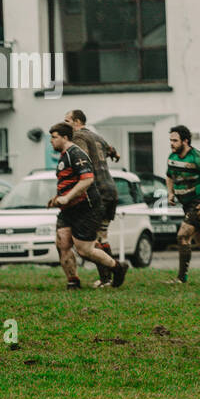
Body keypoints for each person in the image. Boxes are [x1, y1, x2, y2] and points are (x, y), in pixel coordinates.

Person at [48, 122, 127, 290]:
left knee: (84, 250)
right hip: (68, 209)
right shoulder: (64, 155)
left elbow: (87, 179)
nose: (51, 141)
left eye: (54, 137)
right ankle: (73, 281)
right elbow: (69, 181)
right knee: (62, 242)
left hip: (87, 208)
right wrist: (58, 198)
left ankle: (117, 268)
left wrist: (67, 197)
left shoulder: (77, 153)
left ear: (65, 137)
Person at [66, 109, 121, 286]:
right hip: (110, 189)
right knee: (102, 235)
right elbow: (113, 151)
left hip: (97, 192)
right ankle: (111, 276)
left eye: (67, 121)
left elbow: (81, 160)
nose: (65, 124)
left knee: (95, 238)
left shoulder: (78, 138)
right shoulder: (97, 137)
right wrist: (115, 156)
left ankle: (107, 278)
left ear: (76, 122)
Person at [165, 124, 200, 285]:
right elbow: (169, 176)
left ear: (185, 141)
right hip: (187, 205)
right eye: (170, 140)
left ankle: (181, 278)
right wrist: (170, 192)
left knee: (182, 236)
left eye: (175, 140)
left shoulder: (198, 158)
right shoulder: (172, 157)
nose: (171, 143)